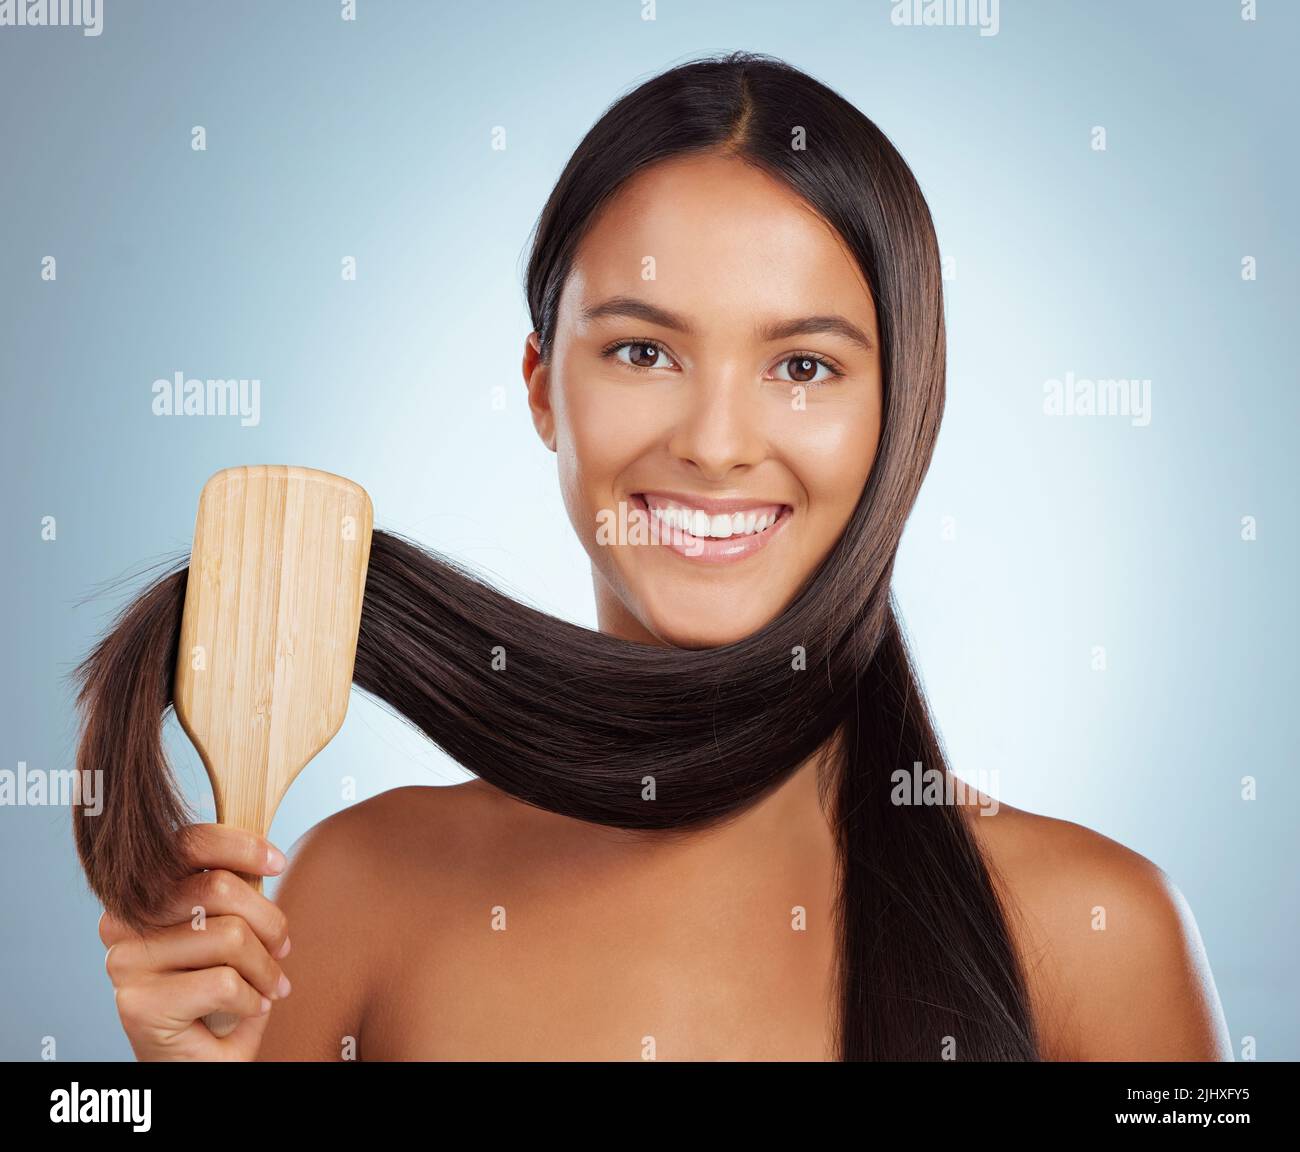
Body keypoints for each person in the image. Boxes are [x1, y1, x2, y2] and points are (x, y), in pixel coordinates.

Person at [96, 52, 1231, 1062]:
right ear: (542, 387)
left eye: (802, 367)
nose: (715, 444)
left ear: (905, 411)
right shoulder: (343, 898)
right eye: (643, 350)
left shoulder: (1101, 930)